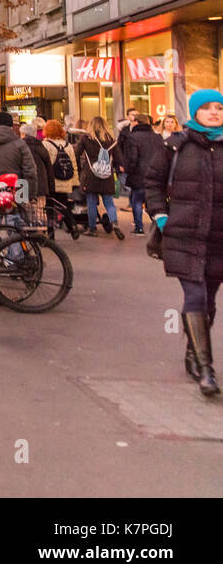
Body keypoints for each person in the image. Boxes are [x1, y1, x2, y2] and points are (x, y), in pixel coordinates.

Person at [147, 88, 223, 396]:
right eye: (207, 108)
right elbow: (152, 182)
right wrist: (160, 216)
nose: (215, 112)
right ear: (195, 112)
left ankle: (193, 351)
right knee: (195, 294)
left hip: (218, 238)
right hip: (183, 236)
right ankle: (206, 369)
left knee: (209, 301)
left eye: (219, 107)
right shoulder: (175, 146)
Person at [78, 116, 123, 239]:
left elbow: (76, 153)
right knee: (109, 202)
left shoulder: (86, 138)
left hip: (90, 175)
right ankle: (114, 222)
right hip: (106, 175)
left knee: (91, 202)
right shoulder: (111, 139)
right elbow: (119, 158)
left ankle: (92, 228)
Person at [121, 112, 162, 236]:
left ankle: (139, 228)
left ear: (136, 122)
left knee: (137, 200)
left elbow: (132, 158)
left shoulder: (133, 137)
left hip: (138, 174)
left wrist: (128, 169)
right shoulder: (157, 137)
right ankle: (158, 226)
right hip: (155, 173)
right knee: (154, 201)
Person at [0, 110, 37, 192]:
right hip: (14, 194)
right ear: (11, 127)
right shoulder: (19, 143)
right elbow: (30, 171)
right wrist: (28, 196)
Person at [20, 122, 54, 211]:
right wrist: (51, 188)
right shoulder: (41, 146)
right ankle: (42, 225)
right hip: (41, 186)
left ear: (23, 134)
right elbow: (49, 169)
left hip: (23, 186)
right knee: (40, 211)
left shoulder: (19, 147)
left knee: (25, 213)